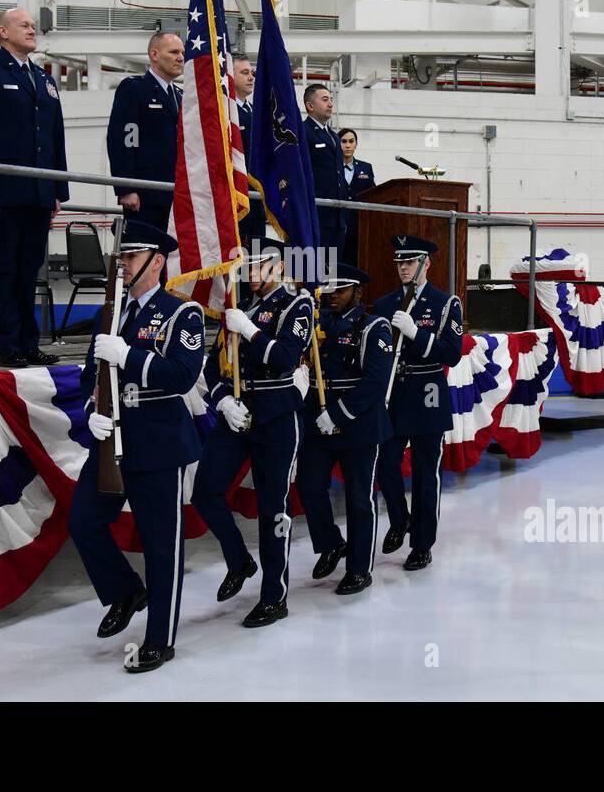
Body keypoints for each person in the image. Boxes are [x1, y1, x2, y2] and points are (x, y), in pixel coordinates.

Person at [69, 220, 205, 674]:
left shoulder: (181, 313)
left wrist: (128, 356)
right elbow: (91, 374)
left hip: (159, 439)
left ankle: (160, 639)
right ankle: (127, 591)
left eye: (132, 257)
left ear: (157, 261)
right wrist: (91, 409)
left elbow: (181, 376)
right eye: (122, 257)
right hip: (111, 436)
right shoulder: (112, 313)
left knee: (161, 543)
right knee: (84, 522)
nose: (123, 264)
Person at [191, 240, 313, 628]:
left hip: (277, 416)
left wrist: (250, 331)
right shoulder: (240, 308)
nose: (252, 273)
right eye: (249, 266)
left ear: (279, 266)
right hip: (238, 415)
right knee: (206, 491)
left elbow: (285, 357)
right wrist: (224, 400)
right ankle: (239, 559)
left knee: (273, 507)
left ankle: (274, 596)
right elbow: (214, 367)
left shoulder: (298, 305)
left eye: (260, 265)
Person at [0, 6, 69, 368]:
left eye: (34, 26)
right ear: (3, 32)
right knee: (3, 269)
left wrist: (57, 191)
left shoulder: (43, 78)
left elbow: (55, 137)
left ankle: (28, 343)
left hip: (37, 194)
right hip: (1, 193)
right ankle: (5, 345)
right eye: (24, 25)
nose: (32, 30)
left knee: (29, 270)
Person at [296, 263, 393, 595]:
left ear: (358, 292)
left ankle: (360, 568)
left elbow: (376, 382)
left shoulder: (373, 327)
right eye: (329, 290)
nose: (332, 295)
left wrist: (338, 413)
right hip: (318, 420)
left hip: (358, 425)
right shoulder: (317, 323)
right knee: (309, 488)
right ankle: (332, 543)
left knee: (359, 498)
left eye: (341, 289)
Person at [372, 235, 464, 571]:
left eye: (410, 262)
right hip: (394, 392)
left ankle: (422, 543)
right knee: (385, 462)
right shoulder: (385, 304)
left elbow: (452, 354)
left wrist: (416, 334)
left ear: (426, 264)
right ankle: (400, 519)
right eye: (399, 262)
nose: (403, 268)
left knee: (427, 473)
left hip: (428, 391)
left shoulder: (445, 303)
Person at [107, 31, 184, 232]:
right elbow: (122, 141)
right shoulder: (135, 89)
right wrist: (126, 188)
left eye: (182, 52)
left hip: (176, 194)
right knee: (145, 254)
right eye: (174, 52)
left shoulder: (180, 95)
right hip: (145, 194)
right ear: (155, 55)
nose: (181, 58)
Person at [302, 84, 348, 259]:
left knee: (331, 273)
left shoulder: (334, 136)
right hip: (316, 214)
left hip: (336, 217)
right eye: (325, 99)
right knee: (310, 270)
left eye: (331, 99)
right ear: (310, 106)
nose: (330, 104)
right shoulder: (303, 132)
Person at [234, 57, 267, 249]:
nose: (251, 78)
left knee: (255, 257)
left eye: (252, 73)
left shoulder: (255, 112)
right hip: (236, 195)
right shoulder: (225, 112)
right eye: (244, 73)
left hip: (256, 195)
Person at [338, 128, 375, 265]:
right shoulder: (331, 167)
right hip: (337, 223)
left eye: (351, 141)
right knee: (334, 264)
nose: (347, 145)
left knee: (356, 263)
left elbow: (373, 193)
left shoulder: (366, 167)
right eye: (343, 141)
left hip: (358, 224)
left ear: (356, 144)